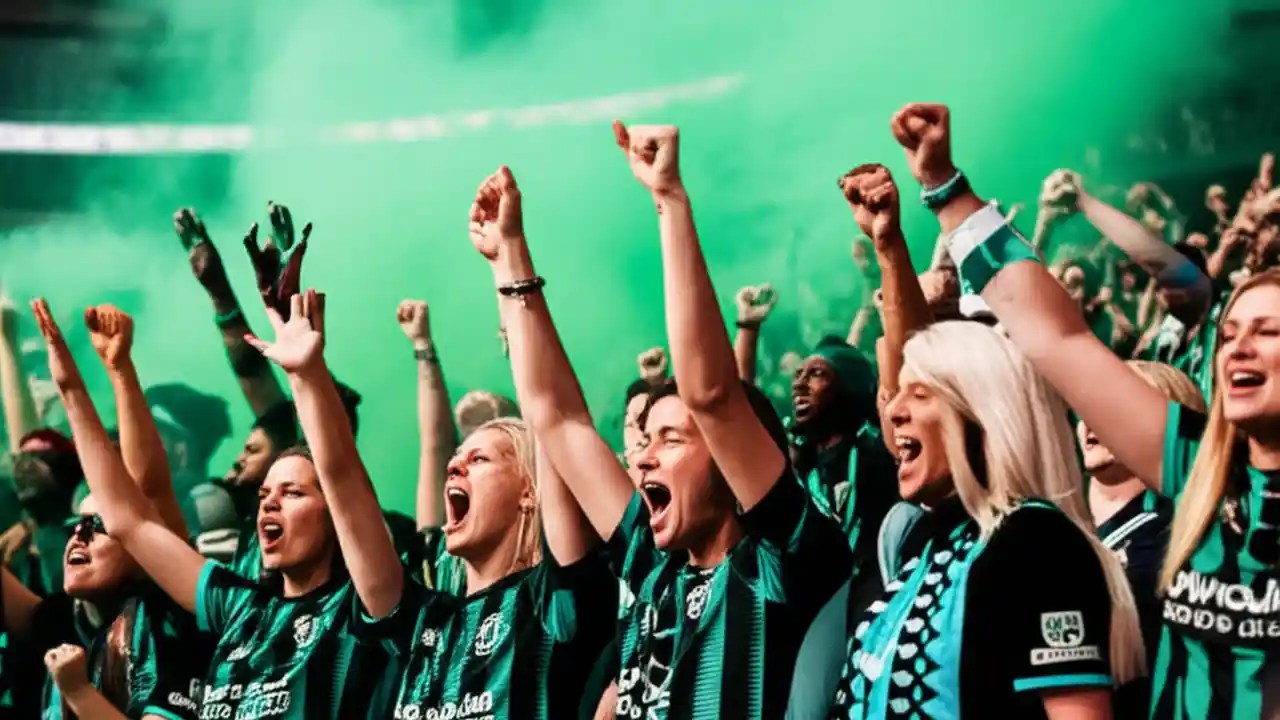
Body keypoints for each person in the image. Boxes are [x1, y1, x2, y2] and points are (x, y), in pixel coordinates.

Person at [920, 100, 1280, 717]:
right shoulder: (1197, 463)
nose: (1238, 346)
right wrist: (946, 190)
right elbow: (1058, 337)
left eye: (1267, 331)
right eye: (1228, 334)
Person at [490, 119, 850, 717]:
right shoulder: (654, 571)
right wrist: (509, 258)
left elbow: (712, 395)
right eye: (646, 439)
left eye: (671, 439)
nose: (643, 458)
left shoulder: (786, 561)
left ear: (733, 461)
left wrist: (669, 199)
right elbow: (557, 420)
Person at [826, 154, 1144, 718]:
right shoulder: (926, 540)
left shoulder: (1036, 543)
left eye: (919, 394)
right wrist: (887, 248)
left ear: (976, 411)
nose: (892, 410)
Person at [245, 278, 611, 718]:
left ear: (530, 493)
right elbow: (343, 483)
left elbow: (551, 415)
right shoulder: (423, 622)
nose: (454, 467)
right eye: (455, 459)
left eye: (479, 459)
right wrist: (306, 377)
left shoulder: (552, 603)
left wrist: (511, 275)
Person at [32, 294, 383, 720]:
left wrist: (309, 376)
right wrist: (71, 388)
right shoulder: (240, 609)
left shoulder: (363, 607)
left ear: (335, 515)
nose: (269, 503)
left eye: (292, 493)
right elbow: (128, 519)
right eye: (263, 496)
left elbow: (344, 480)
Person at [1, 303, 208, 720]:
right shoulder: (65, 623)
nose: (78, 535)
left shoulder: (168, 612)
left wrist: (120, 371)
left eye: (98, 526)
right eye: (77, 524)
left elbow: (150, 491)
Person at [1082, 360, 1203, 668]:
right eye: (1091, 401)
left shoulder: (1177, 540)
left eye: (1117, 406)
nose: (1094, 417)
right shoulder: (1052, 516)